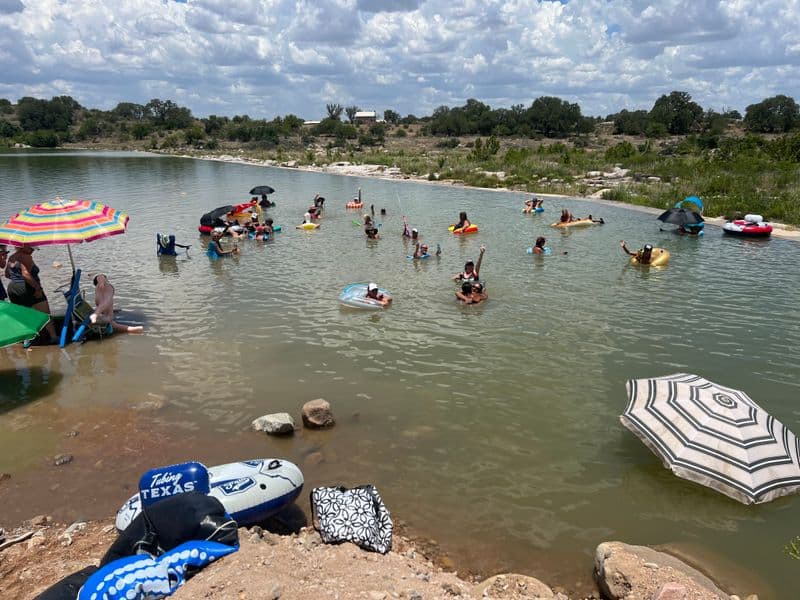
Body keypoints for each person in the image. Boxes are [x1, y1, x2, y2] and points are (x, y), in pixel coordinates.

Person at [4, 243, 58, 342]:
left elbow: (7, 274)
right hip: (28, 287)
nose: (32, 251)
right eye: (31, 249)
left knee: (23, 315)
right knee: (45, 315)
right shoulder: (26, 257)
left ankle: (26, 340)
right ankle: (53, 337)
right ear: (23, 246)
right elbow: (26, 275)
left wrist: (17, 278)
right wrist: (38, 288)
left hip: (13, 288)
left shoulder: (11, 257)